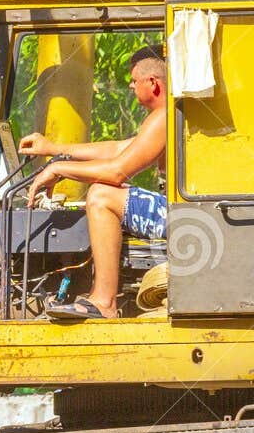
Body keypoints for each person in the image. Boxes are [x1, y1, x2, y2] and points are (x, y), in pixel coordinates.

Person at [20, 44, 169, 321]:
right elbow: (116, 150)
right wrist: (54, 149)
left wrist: (60, 169)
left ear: (153, 83)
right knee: (106, 191)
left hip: (182, 216)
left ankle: (104, 302)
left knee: (102, 195)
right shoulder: (164, 117)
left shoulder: (165, 116)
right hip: (180, 211)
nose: (131, 85)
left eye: (134, 80)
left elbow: (117, 171)